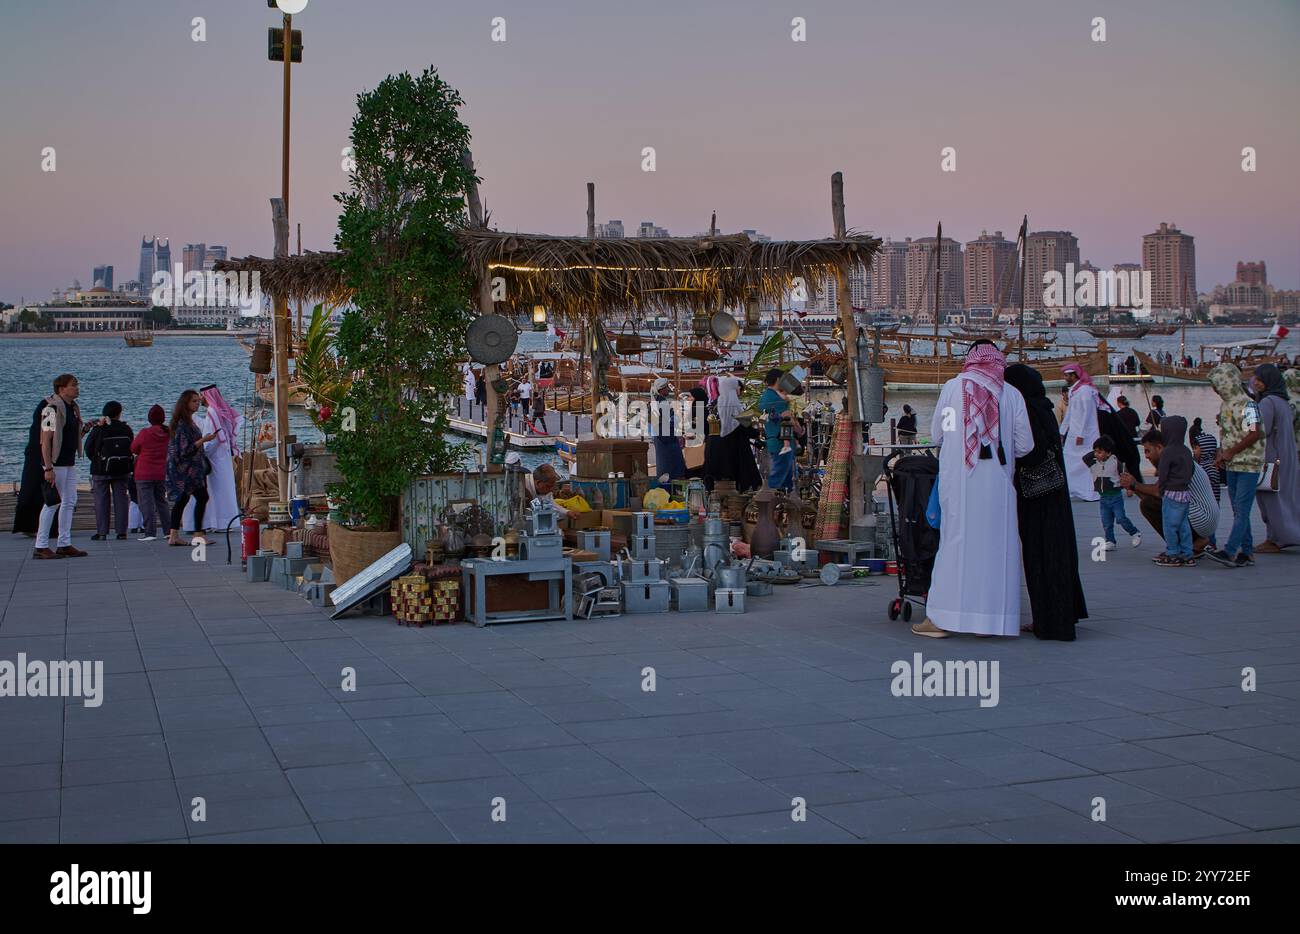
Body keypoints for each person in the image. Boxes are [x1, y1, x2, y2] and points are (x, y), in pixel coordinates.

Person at [913, 342, 1033, 638]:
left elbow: (937, 434)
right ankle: (990, 622)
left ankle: (941, 620)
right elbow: (1025, 445)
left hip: (961, 481)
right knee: (996, 550)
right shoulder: (1012, 394)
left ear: (970, 361)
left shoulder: (954, 387)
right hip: (999, 485)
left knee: (956, 546)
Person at [1004, 362, 1087, 642]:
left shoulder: (1026, 409)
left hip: (1036, 495)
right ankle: (1063, 614)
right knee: (1058, 552)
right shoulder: (1045, 407)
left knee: (1040, 555)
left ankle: (1049, 620)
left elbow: (1030, 450)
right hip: (1055, 492)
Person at [1121, 428, 1219, 558]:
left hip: (1201, 518)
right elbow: (1152, 497)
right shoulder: (1178, 456)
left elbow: (1158, 492)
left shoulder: (1174, 461)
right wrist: (1133, 487)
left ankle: (1182, 546)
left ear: (1160, 447)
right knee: (1149, 504)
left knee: (1150, 505)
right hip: (1205, 519)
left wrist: (1134, 484)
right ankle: (1189, 543)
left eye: (1148, 451)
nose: (1146, 456)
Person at [1207, 362, 1264, 567]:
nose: (1215, 389)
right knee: (1238, 509)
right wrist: (1221, 454)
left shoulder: (1248, 404)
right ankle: (1247, 552)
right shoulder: (1225, 405)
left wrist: (1230, 451)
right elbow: (1228, 434)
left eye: (1217, 385)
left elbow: (1255, 432)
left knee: (1241, 509)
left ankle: (1231, 551)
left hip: (1248, 464)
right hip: (1232, 463)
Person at [32, 374, 91, 559]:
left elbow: (70, 439)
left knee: (69, 502)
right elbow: (45, 440)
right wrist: (48, 468)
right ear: (61, 389)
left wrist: (84, 430)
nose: (77, 388)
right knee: (52, 503)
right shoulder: (50, 409)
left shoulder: (73, 409)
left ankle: (64, 543)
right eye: (73, 385)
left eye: (77, 385)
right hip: (55, 463)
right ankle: (41, 546)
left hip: (68, 462)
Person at [1250, 364, 1300, 552]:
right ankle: (1283, 535)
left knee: (1269, 498)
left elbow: (1259, 430)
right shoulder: (1283, 401)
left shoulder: (1268, 402)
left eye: (1259, 379)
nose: (1255, 382)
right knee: (1285, 498)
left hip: (1271, 458)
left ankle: (1276, 539)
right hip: (1287, 456)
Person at [184, 385, 243, 535]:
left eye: (201, 397)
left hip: (215, 458)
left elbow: (213, 438)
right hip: (222, 458)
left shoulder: (212, 412)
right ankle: (223, 521)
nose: (200, 400)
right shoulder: (217, 411)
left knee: (217, 491)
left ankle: (220, 522)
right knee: (223, 490)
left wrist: (202, 451)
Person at [166, 389, 216, 547]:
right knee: (200, 498)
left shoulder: (187, 421)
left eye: (198, 401)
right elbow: (185, 450)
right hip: (186, 471)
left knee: (183, 500)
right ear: (186, 403)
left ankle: (175, 535)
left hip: (189, 470)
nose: (197, 404)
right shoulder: (183, 425)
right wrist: (204, 440)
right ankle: (198, 534)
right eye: (194, 401)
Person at [84, 401, 134, 541]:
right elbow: (132, 446)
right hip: (122, 468)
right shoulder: (126, 429)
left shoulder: (99, 429)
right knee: (122, 500)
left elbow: (88, 448)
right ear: (119, 413)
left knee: (100, 500)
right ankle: (122, 531)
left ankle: (102, 532)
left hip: (100, 470)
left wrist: (96, 460)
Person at [704, 375, 762, 492]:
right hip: (734, 451)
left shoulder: (713, 405)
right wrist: (758, 430)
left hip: (713, 450)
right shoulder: (735, 406)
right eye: (739, 389)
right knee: (737, 486)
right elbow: (748, 430)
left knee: (717, 486)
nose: (740, 392)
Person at [1083, 435, 1140, 550]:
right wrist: (1097, 450)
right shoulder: (1094, 463)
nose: (1096, 454)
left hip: (1115, 497)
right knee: (1106, 522)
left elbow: (1125, 475)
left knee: (1120, 518)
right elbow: (1085, 458)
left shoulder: (1115, 463)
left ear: (1108, 453)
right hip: (1103, 498)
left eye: (1099, 452)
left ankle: (1135, 532)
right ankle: (1110, 541)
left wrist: (1129, 488)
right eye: (1095, 452)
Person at [1060, 363, 1101, 501]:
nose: (1065, 377)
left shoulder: (1085, 390)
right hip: (1073, 434)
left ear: (1074, 375)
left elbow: (1087, 414)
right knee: (1069, 461)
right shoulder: (1073, 391)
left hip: (1087, 435)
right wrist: (1062, 432)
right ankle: (1073, 490)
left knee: (1086, 463)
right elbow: (1070, 413)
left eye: (1067, 375)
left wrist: (1081, 434)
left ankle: (1089, 492)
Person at [130, 404, 170, 541]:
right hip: (160, 472)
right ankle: (168, 530)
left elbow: (134, 448)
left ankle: (150, 532)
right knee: (162, 502)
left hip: (143, 472)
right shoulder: (168, 433)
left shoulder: (144, 433)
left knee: (146, 503)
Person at [758, 370, 796, 491]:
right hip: (782, 443)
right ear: (778, 380)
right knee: (782, 479)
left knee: (781, 476)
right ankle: (774, 503)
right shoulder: (776, 399)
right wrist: (800, 430)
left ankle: (778, 503)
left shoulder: (765, 397)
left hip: (773, 440)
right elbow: (787, 419)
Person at [650, 377, 687, 484]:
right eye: (666, 387)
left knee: (664, 466)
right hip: (666, 439)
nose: (668, 389)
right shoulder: (661, 402)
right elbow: (668, 421)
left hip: (661, 437)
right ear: (661, 389)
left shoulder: (656, 401)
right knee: (671, 469)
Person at [1188, 417, 1221, 501]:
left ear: (1204, 449)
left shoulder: (1211, 467)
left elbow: (1203, 486)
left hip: (1208, 505)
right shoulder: (1199, 465)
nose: (1193, 451)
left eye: (1195, 448)